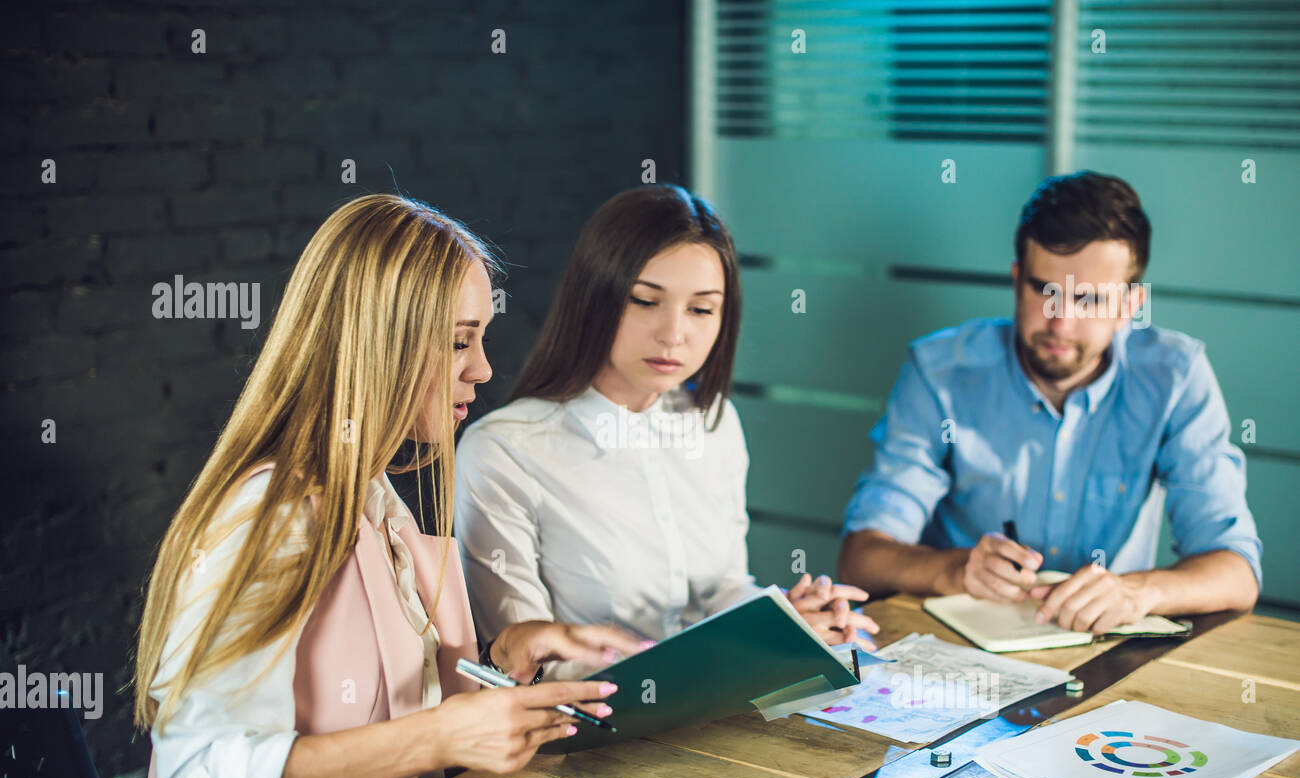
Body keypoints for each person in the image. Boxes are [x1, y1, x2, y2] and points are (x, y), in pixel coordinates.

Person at [131, 194, 643, 778]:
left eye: (481, 338)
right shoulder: (271, 515)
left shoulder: (374, 499)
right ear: (376, 344)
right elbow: (195, 776)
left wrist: (501, 662)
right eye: (459, 341)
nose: (484, 369)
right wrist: (440, 736)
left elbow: (375, 701)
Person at [454, 185, 877, 680]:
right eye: (645, 301)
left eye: (701, 309)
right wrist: (735, 650)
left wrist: (785, 616)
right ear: (595, 298)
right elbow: (528, 664)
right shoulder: (504, 451)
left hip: (721, 706)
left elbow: (722, 590)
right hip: (590, 735)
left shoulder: (712, 421)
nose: (674, 334)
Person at [838, 171, 1261, 634]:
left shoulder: (1176, 377)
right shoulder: (939, 370)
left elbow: (1237, 571)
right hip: (955, 647)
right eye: (1045, 291)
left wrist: (1139, 591)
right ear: (1017, 280)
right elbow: (861, 559)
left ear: (1130, 306)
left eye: (1090, 299)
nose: (1062, 323)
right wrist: (953, 570)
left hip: (1105, 652)